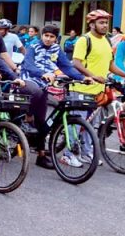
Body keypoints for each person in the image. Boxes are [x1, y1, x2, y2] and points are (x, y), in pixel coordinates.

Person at [21, 24, 91, 168]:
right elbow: (28, 65)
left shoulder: (57, 49)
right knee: (37, 92)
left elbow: (66, 66)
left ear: (56, 38)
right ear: (41, 36)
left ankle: (41, 156)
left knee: (41, 121)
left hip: (46, 83)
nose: (48, 39)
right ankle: (28, 116)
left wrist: (82, 78)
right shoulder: (33, 47)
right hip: (28, 80)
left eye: (51, 36)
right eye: (46, 35)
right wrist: (42, 74)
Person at [71, 10, 125, 110]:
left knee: (94, 125)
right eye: (101, 23)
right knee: (78, 123)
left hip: (99, 92)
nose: (105, 25)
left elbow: (110, 65)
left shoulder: (107, 40)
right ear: (92, 25)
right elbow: (76, 63)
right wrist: (93, 76)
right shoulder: (84, 40)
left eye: (106, 23)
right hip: (82, 89)